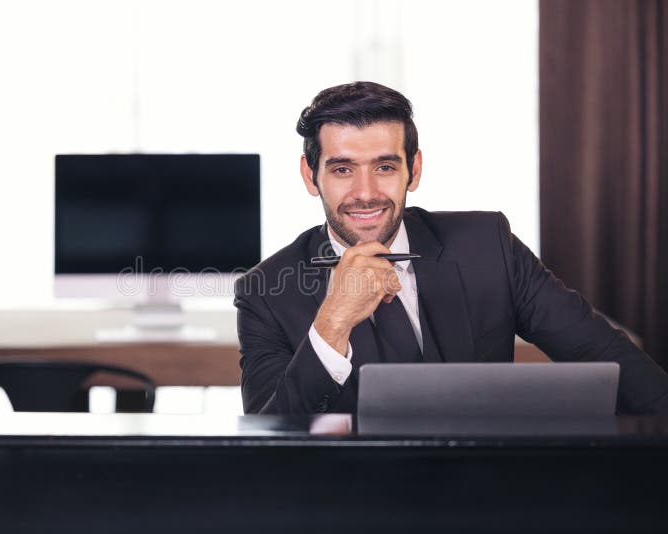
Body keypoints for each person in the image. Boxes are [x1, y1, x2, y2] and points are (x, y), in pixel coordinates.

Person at [234, 81, 668, 415]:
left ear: (414, 169)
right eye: (343, 169)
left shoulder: (489, 246)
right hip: (353, 502)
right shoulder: (265, 291)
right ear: (311, 177)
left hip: (484, 491)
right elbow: (269, 435)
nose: (365, 193)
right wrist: (332, 323)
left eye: (385, 167)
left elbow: (607, 358)